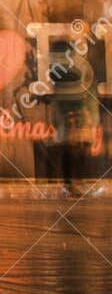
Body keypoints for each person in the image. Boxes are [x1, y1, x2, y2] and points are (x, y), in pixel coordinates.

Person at [43, 41, 104, 199]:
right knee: (74, 152)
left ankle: (70, 185)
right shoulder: (73, 72)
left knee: (72, 152)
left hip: (72, 121)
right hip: (74, 120)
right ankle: (71, 185)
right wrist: (92, 118)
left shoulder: (61, 74)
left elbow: (59, 99)